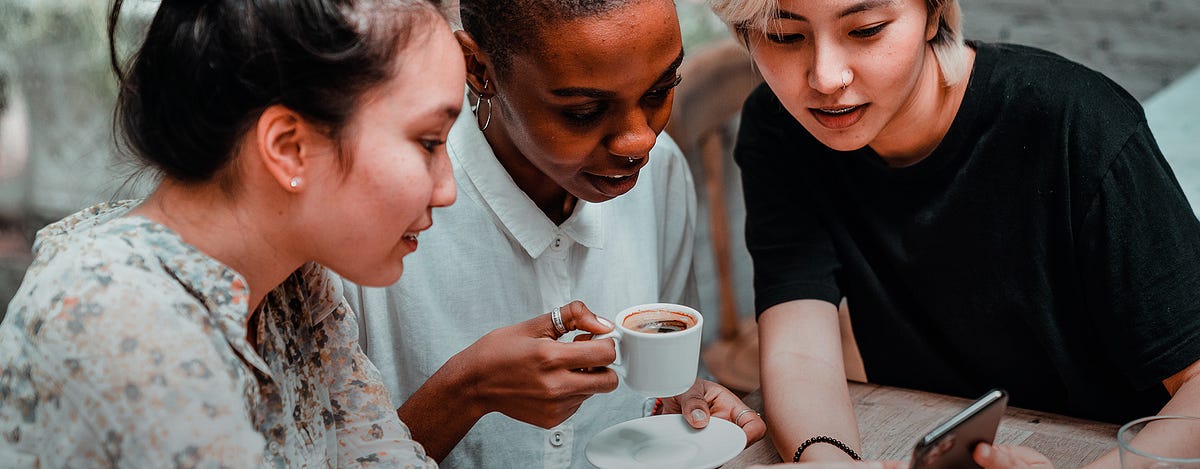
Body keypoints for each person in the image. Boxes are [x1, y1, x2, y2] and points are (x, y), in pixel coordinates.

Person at [707, 0, 1200, 466]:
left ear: (933, 11)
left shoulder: (1074, 119)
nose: (827, 77)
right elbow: (799, 345)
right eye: (785, 36)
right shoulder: (782, 128)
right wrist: (830, 462)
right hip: (931, 433)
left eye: (866, 30)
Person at [0, 0, 464, 466]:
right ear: (289, 147)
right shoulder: (119, 318)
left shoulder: (296, 281)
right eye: (428, 142)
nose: (448, 189)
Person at [342, 0, 767, 466]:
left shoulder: (661, 174)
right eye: (584, 111)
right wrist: (467, 392)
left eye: (661, 89)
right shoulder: (377, 217)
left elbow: (664, 393)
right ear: (477, 68)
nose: (639, 140)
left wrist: (681, 401)